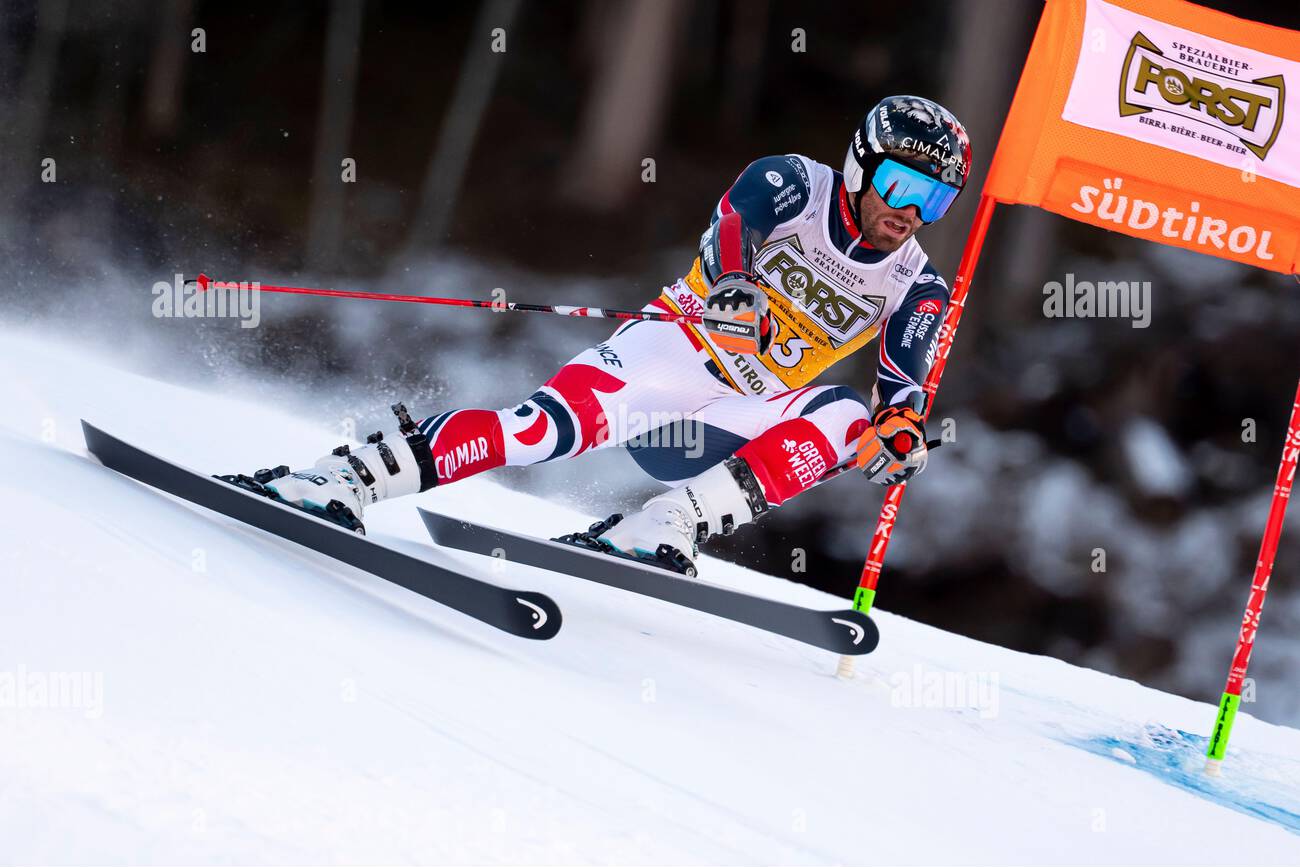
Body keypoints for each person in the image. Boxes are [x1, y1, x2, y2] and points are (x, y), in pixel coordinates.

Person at [238, 94, 972, 575]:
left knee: (848, 417)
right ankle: (349, 476)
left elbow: (903, 384)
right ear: (861, 166)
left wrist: (900, 432)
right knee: (535, 433)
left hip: (732, 422)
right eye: (904, 186)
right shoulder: (794, 185)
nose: (911, 212)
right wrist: (739, 288)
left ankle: (666, 523)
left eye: (935, 199)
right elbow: (731, 225)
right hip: (674, 356)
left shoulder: (918, 283)